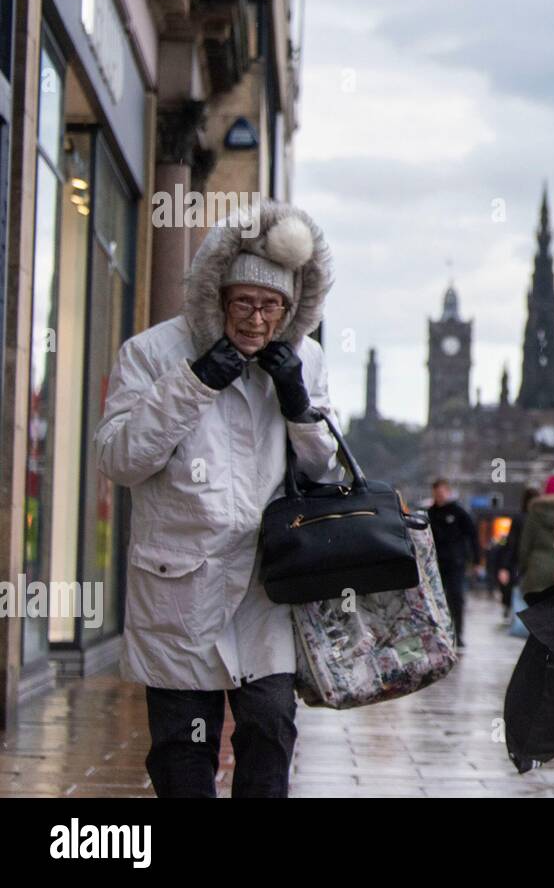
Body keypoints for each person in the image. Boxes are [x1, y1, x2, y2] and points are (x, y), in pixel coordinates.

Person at [95, 202, 339, 798]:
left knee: (270, 730)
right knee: (183, 748)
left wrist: (297, 402)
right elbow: (121, 459)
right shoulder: (152, 353)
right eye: (244, 304)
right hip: (181, 581)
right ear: (218, 296)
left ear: (291, 309)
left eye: (271, 306)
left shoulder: (304, 358)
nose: (257, 320)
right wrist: (195, 381)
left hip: (266, 587)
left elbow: (325, 466)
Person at [427, 478, 479, 648]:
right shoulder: (430, 514)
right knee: (436, 599)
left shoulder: (458, 513)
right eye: (437, 493)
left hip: (456, 562)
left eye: (442, 493)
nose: (440, 496)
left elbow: (473, 535)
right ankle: (440, 633)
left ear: (448, 492)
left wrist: (476, 560)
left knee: (456, 598)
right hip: (436, 564)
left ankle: (458, 633)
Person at [516, 474, 554, 597]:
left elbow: (525, 546)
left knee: (537, 614)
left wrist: (523, 568)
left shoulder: (535, 512)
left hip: (537, 571)